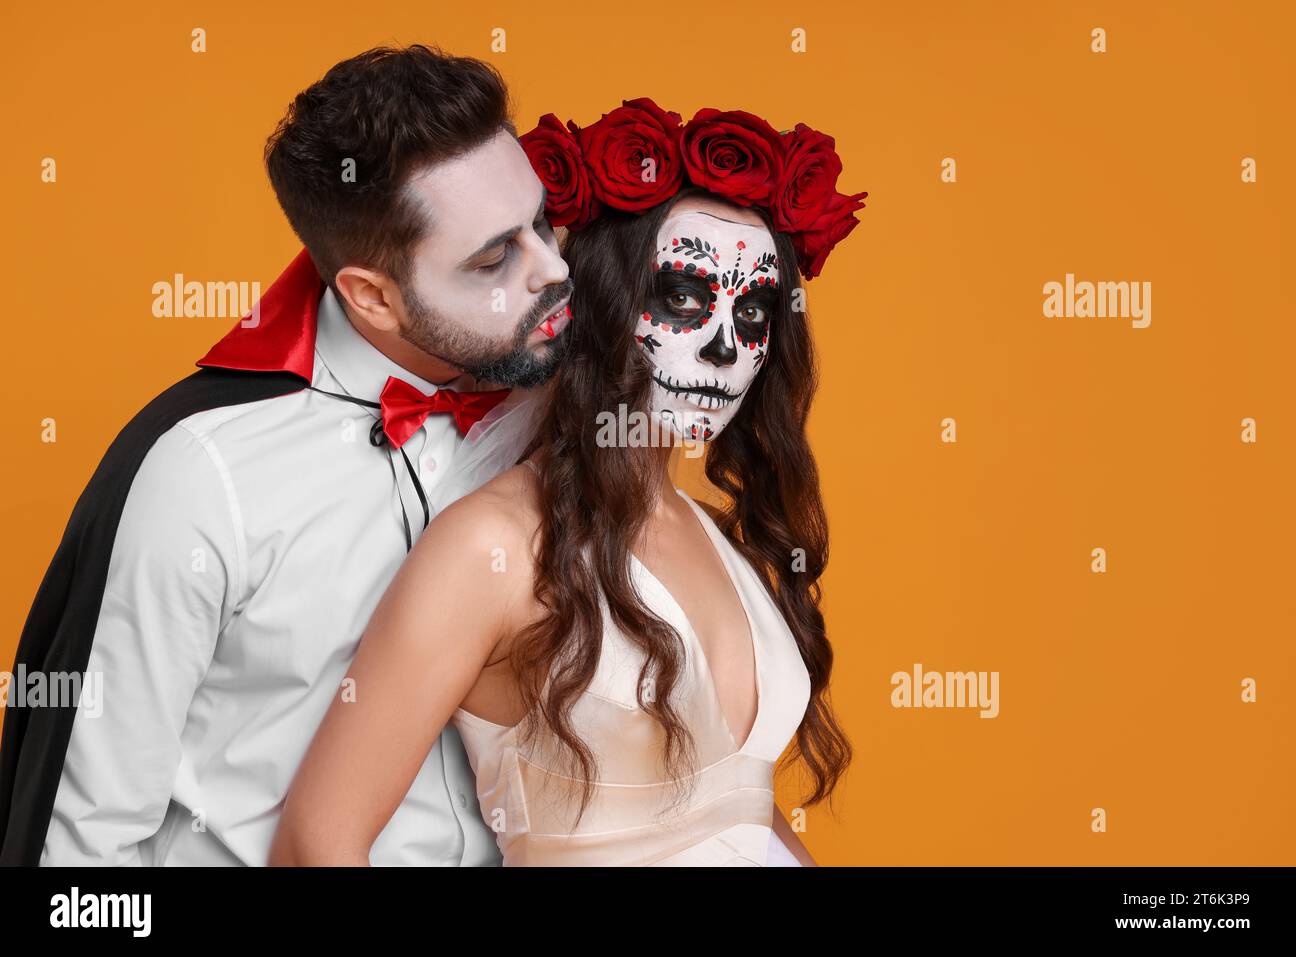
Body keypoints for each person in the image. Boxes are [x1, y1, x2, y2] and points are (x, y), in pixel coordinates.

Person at [0, 44, 573, 866]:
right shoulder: (199, 476)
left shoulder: (561, 414)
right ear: (370, 294)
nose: (554, 269)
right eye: (493, 260)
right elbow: (79, 853)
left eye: (542, 223)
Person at [271, 100, 863, 866]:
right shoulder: (492, 545)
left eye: (753, 311)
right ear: (603, 305)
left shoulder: (718, 538)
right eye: (682, 297)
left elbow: (738, 821)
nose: (726, 347)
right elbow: (315, 844)